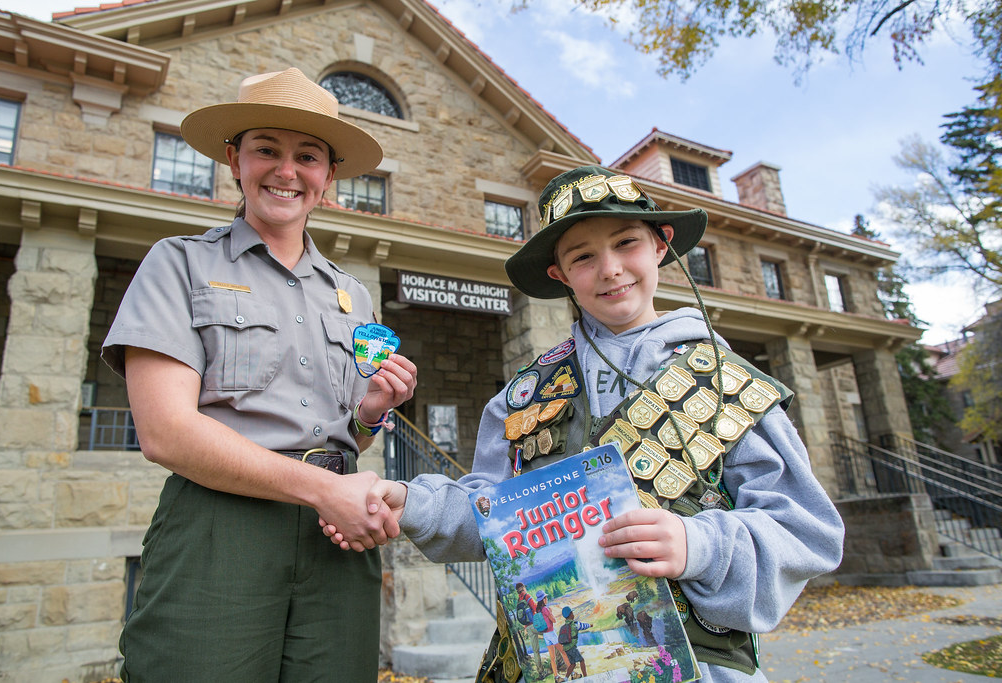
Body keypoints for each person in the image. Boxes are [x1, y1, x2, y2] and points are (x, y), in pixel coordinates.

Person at [329, 164, 845, 682]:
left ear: (661, 245)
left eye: (627, 244)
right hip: (552, 663)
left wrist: (697, 545)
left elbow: (806, 530)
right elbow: (491, 515)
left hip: (692, 664)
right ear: (559, 275)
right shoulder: (520, 398)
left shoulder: (728, 383)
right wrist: (413, 501)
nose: (611, 268)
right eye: (583, 257)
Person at [102, 67, 417, 682]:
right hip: (222, 527)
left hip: (337, 537)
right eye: (266, 149)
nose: (286, 170)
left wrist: (371, 410)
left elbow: (348, 437)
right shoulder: (179, 263)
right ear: (234, 159)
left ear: (328, 179)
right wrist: (325, 490)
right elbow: (165, 432)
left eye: (308, 156)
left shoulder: (351, 297)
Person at [533, 590, 570, 683]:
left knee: (552, 658)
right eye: (546, 597)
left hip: (545, 635)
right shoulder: (545, 609)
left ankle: (556, 677)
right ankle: (572, 673)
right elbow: (553, 620)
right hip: (551, 633)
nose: (547, 599)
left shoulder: (538, 610)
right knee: (563, 652)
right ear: (543, 599)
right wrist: (551, 612)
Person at [558, 606, 591, 680]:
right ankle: (586, 677)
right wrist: (590, 625)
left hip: (566, 648)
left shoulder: (563, 627)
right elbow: (583, 626)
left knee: (572, 664)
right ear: (570, 614)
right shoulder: (575, 624)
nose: (573, 614)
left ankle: (566, 678)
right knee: (581, 660)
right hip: (572, 647)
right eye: (572, 613)